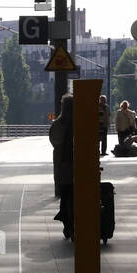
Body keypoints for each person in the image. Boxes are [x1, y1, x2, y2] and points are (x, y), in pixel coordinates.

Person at [49, 94, 75, 233]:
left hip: (63, 163)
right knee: (73, 193)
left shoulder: (58, 124)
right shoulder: (80, 122)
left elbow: (54, 142)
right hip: (76, 164)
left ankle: (66, 221)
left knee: (65, 193)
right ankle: (70, 219)